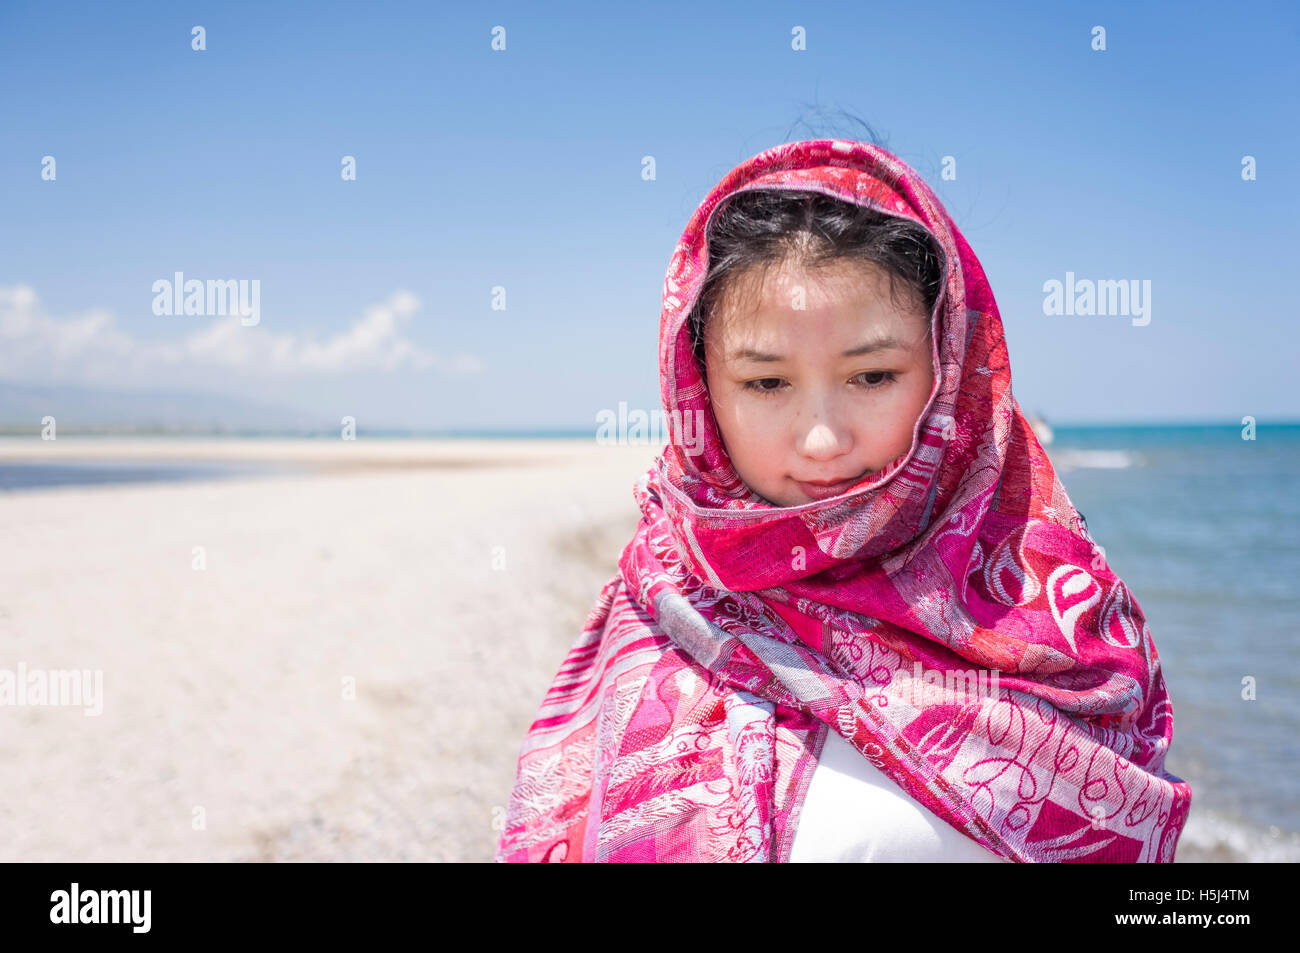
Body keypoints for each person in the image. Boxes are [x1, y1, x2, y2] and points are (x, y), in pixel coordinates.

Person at [495, 138, 1191, 862]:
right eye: (767, 383)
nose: (823, 438)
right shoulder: (663, 598)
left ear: (949, 368)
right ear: (701, 389)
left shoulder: (1064, 612)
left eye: (873, 375)